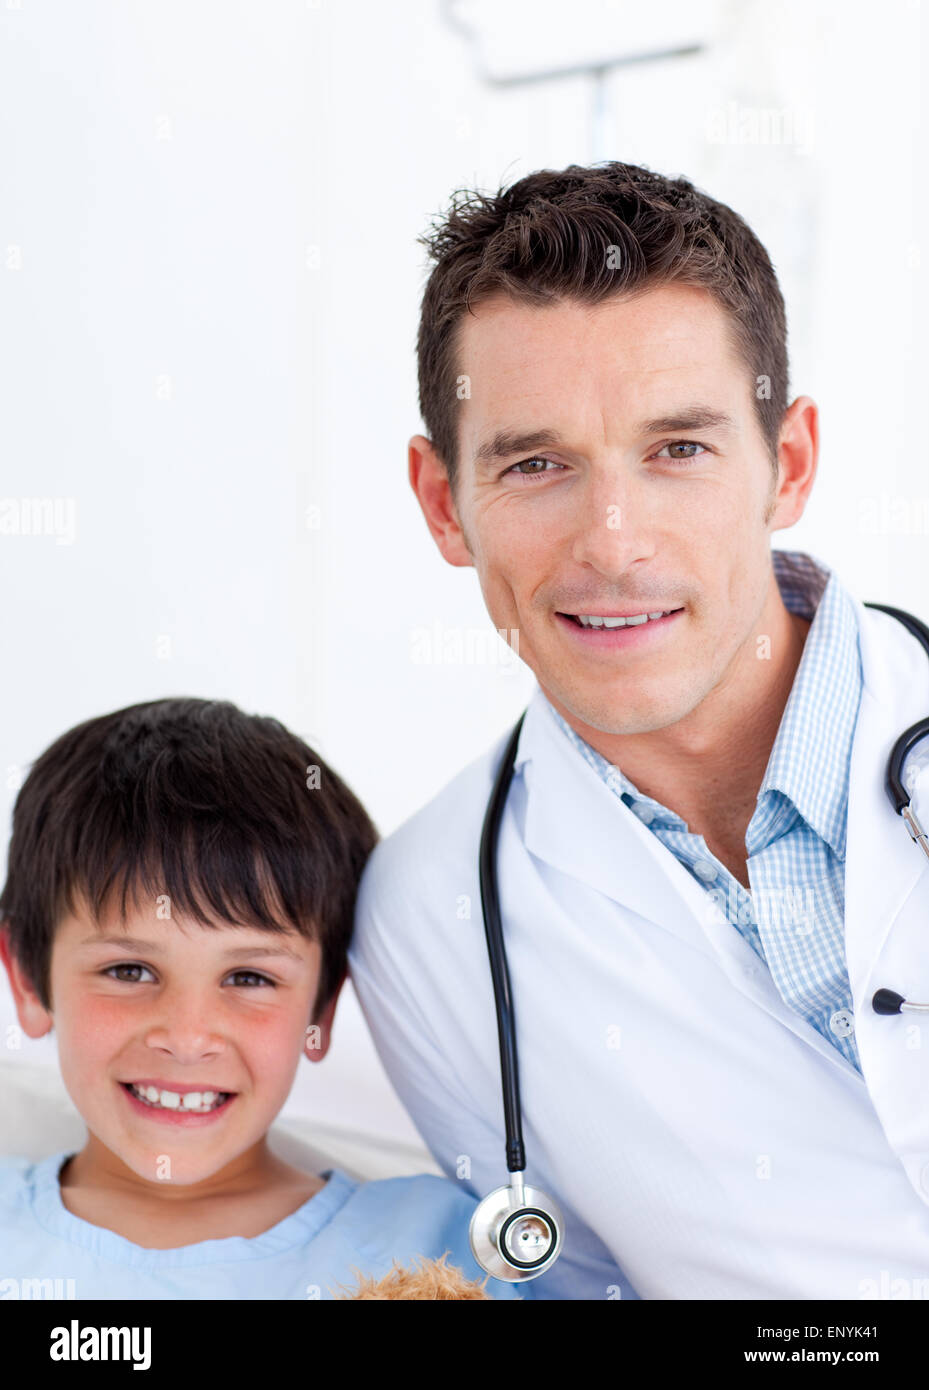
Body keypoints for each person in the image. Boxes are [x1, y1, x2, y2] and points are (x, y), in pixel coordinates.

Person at [347, 161, 929, 1299]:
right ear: (440, 503)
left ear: (787, 463)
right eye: (535, 464)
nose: (612, 542)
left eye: (677, 449)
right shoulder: (428, 927)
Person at [0, 698, 520, 1300]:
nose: (188, 1036)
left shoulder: (450, 1247)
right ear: (29, 980)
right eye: (130, 969)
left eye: (249, 978)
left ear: (322, 1010)